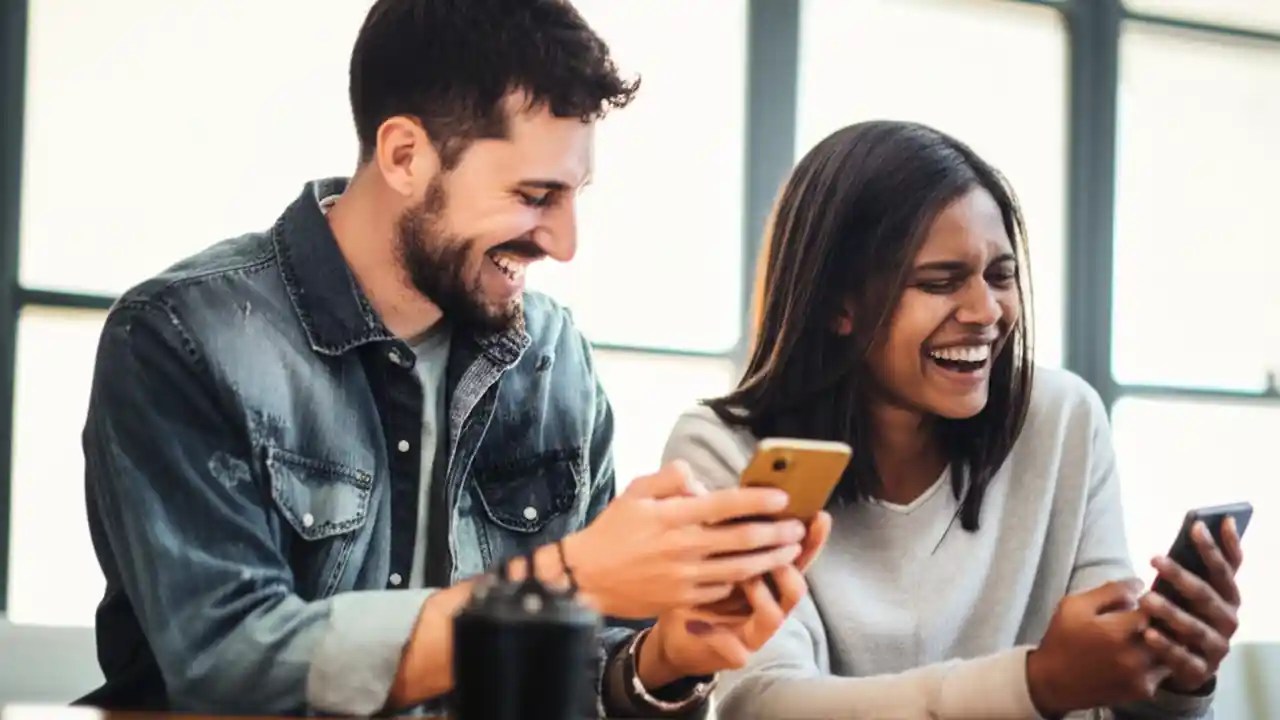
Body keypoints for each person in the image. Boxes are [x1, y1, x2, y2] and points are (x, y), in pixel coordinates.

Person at [78, 0, 827, 715]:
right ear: (404, 155)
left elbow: (582, 681)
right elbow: (230, 666)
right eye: (535, 196)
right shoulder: (180, 337)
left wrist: (667, 658)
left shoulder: (554, 358)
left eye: (574, 196)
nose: (565, 244)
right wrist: (569, 579)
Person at [662, 120, 1247, 719]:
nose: (986, 311)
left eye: (1001, 275)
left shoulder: (1062, 420)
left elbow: (1102, 705)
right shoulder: (724, 452)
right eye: (940, 282)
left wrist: (1174, 678)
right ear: (839, 304)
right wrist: (1036, 683)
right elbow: (762, 705)